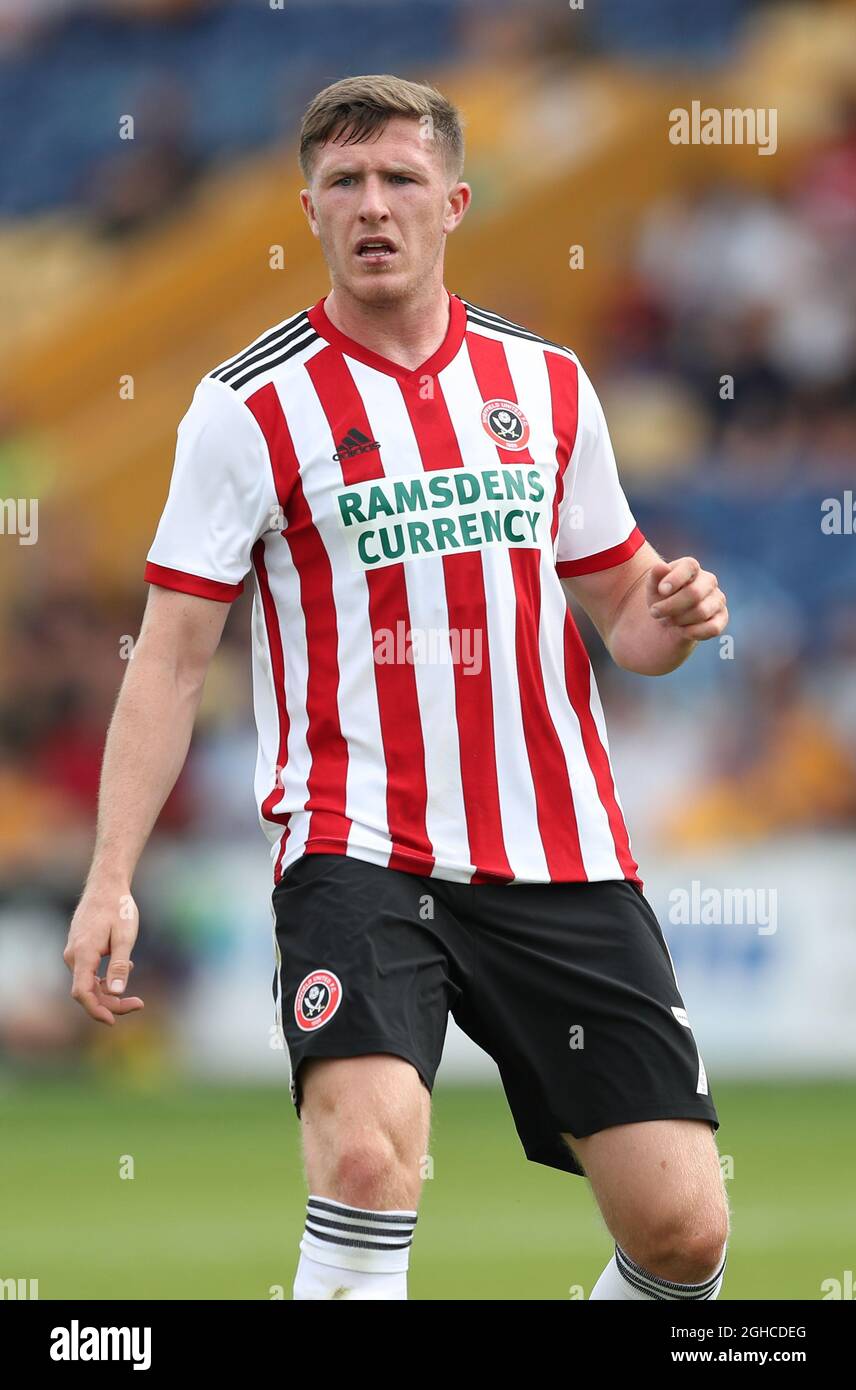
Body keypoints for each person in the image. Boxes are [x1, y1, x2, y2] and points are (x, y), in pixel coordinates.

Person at [64, 74, 731, 1302]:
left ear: (455, 202)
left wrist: (677, 614)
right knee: (368, 1159)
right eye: (346, 184)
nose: (374, 206)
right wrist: (111, 877)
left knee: (685, 1234)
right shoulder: (247, 405)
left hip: (557, 847)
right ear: (309, 209)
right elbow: (166, 656)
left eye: (401, 181)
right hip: (357, 843)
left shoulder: (548, 384)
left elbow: (624, 611)